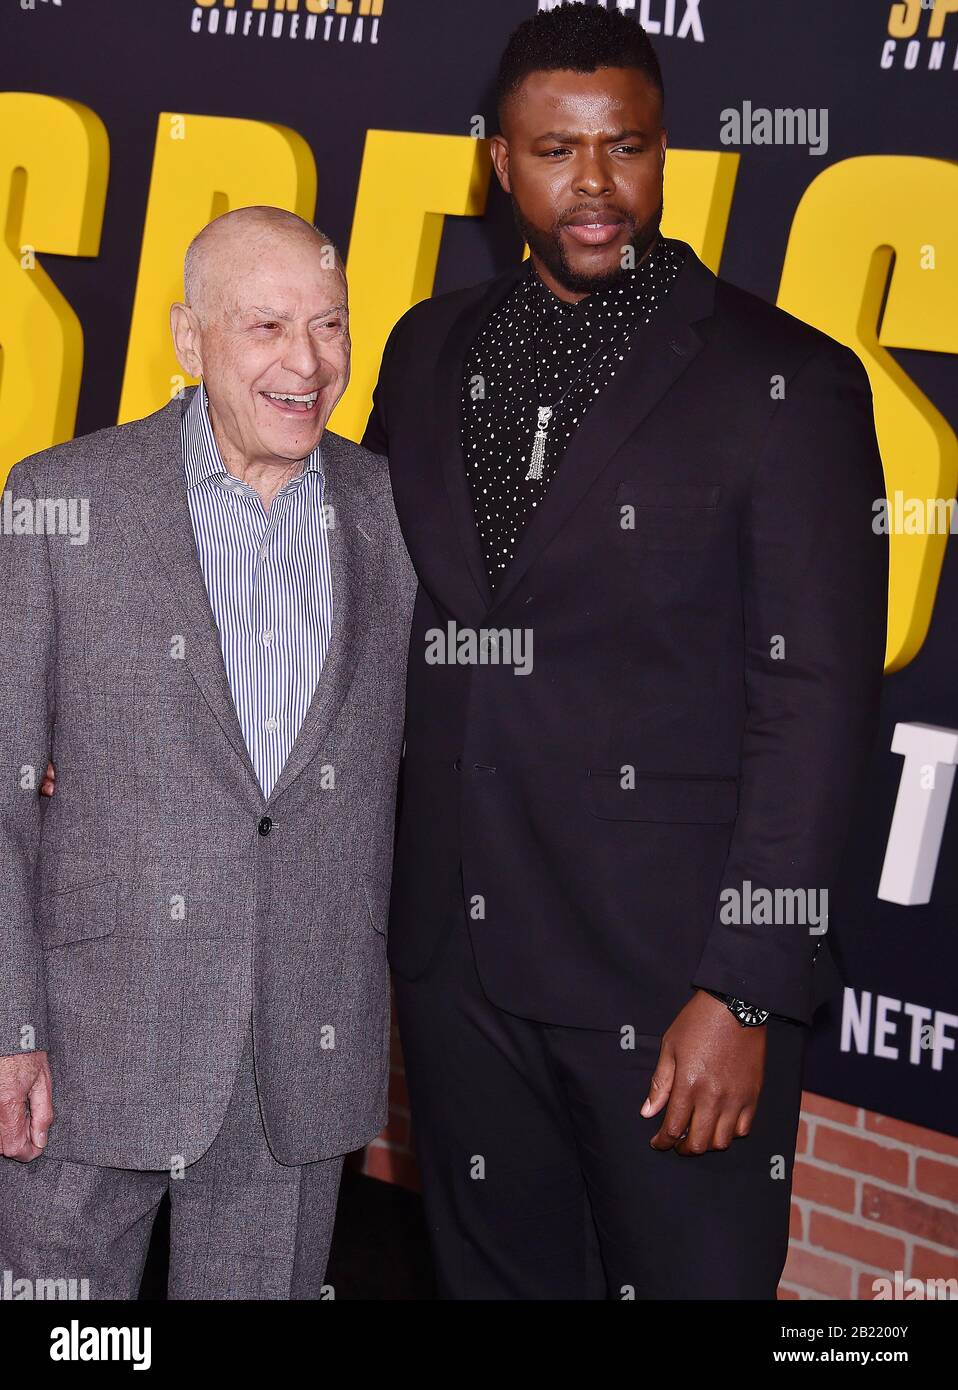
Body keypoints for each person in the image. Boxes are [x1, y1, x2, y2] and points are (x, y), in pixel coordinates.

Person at [361, 6, 887, 1299]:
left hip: (669, 984)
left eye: (626, 148)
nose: (594, 187)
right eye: (555, 151)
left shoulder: (784, 381)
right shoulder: (428, 349)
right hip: (457, 960)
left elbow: (814, 703)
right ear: (497, 162)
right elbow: (367, 612)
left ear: (666, 155)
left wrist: (746, 990)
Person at [0, 206, 415, 1299]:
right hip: (87, 1046)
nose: (306, 362)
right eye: (266, 325)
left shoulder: (390, 509)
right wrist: (10, 1026)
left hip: (297, 1053)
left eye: (329, 326)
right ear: (188, 341)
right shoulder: (59, 499)